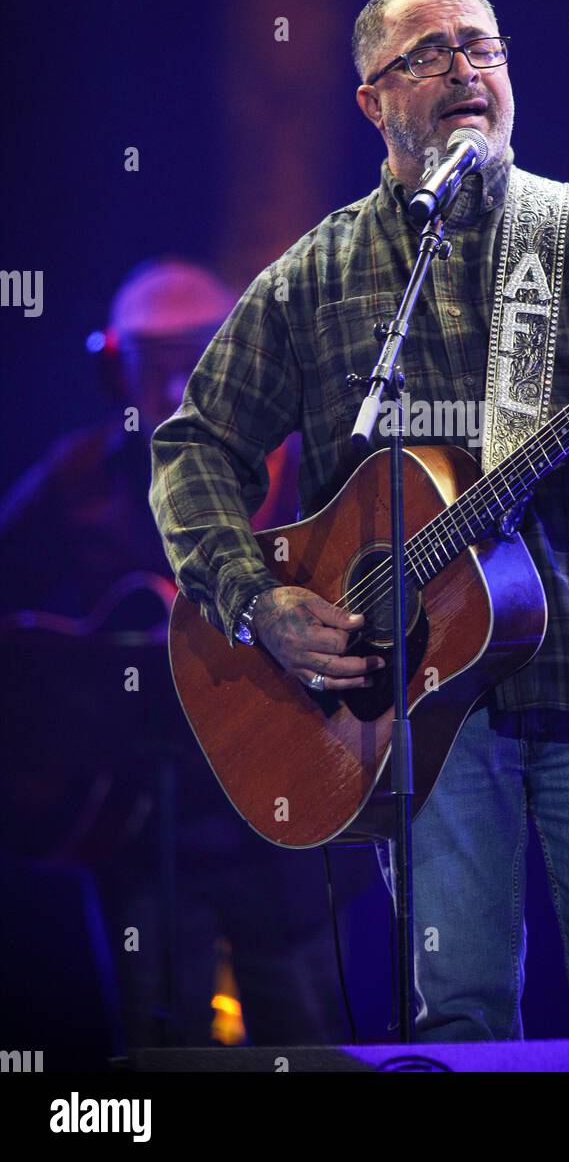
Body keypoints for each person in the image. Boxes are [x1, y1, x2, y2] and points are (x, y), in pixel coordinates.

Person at [149, 0, 569, 1059]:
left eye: (484, 46)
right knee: (454, 1028)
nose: (465, 69)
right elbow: (192, 446)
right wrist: (258, 597)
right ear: (371, 98)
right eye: (427, 53)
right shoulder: (312, 277)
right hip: (414, 721)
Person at [0, 258, 349, 1050]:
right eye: (150, 366)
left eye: (194, 361)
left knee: (306, 1035)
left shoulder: (309, 472)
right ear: (113, 368)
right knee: (161, 1046)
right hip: (136, 824)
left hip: (281, 818)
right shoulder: (82, 478)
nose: (171, 388)